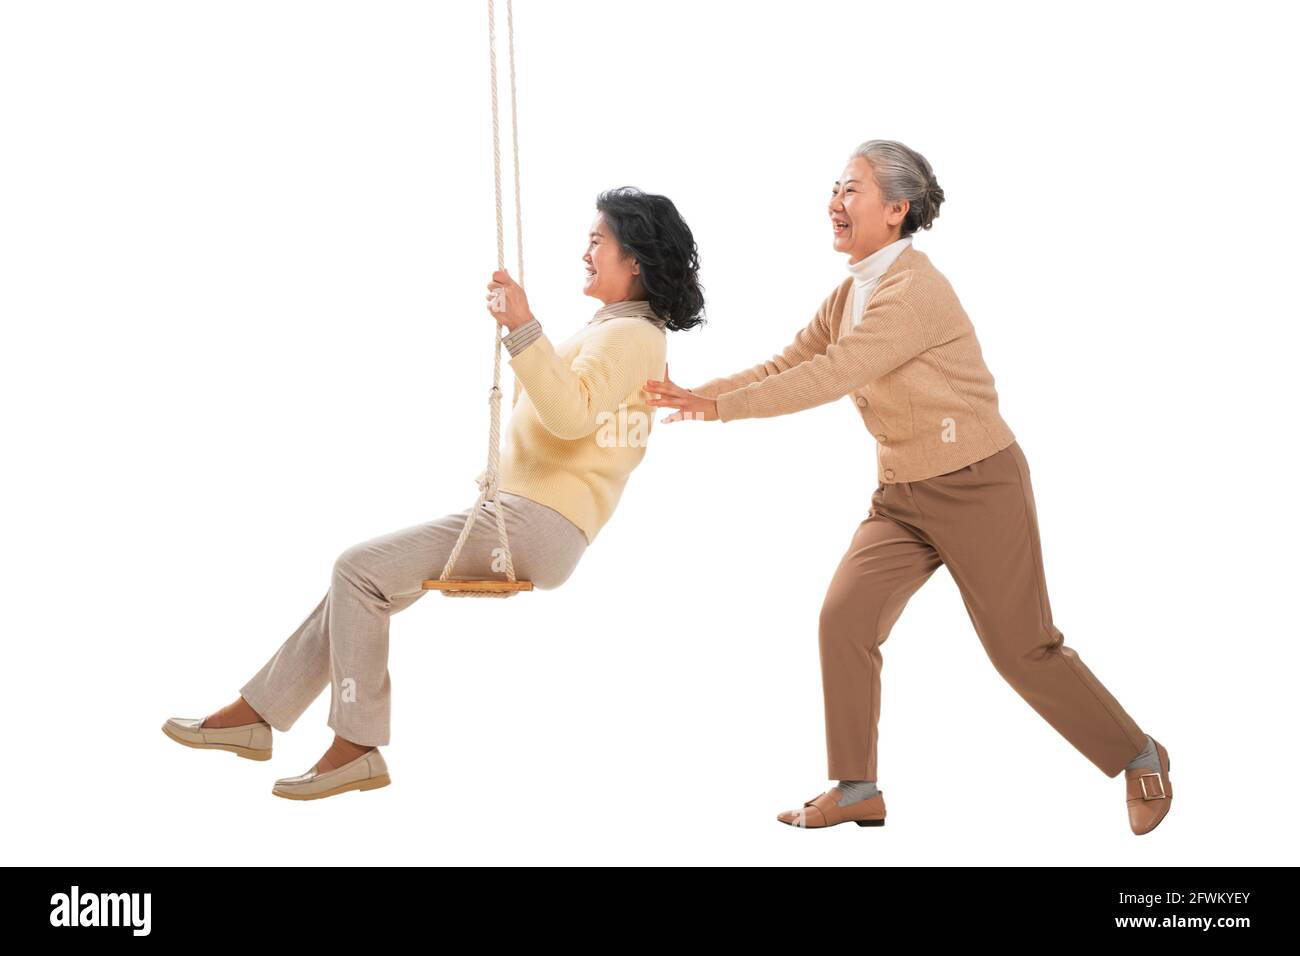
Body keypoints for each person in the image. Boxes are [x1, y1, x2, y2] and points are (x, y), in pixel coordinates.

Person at [645, 140, 1173, 834]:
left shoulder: (915, 290)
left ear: (896, 210)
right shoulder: (851, 293)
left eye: (852, 189)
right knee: (845, 619)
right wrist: (699, 394)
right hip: (901, 495)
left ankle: (1139, 755)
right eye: (835, 187)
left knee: (1022, 652)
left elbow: (832, 375)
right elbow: (791, 361)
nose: (835, 201)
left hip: (977, 485)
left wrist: (719, 408)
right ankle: (857, 788)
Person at [162, 186, 704, 801]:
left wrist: (522, 325)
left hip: (536, 521)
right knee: (359, 588)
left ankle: (355, 747)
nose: (585, 252)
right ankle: (256, 716)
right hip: (533, 518)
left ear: (634, 259)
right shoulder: (621, 331)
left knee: (358, 569)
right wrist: (524, 333)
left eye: (597, 241)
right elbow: (566, 409)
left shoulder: (630, 336)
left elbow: (568, 414)